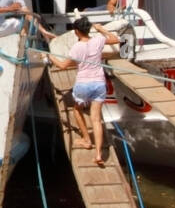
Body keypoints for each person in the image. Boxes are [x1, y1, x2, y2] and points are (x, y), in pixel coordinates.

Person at [45, 16, 120, 166]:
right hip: (99, 83)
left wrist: (49, 56)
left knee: (77, 110)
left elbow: (62, 66)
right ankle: (98, 154)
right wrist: (101, 29)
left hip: (83, 84)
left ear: (77, 32)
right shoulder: (98, 40)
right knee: (96, 119)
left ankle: (87, 140)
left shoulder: (76, 48)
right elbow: (115, 39)